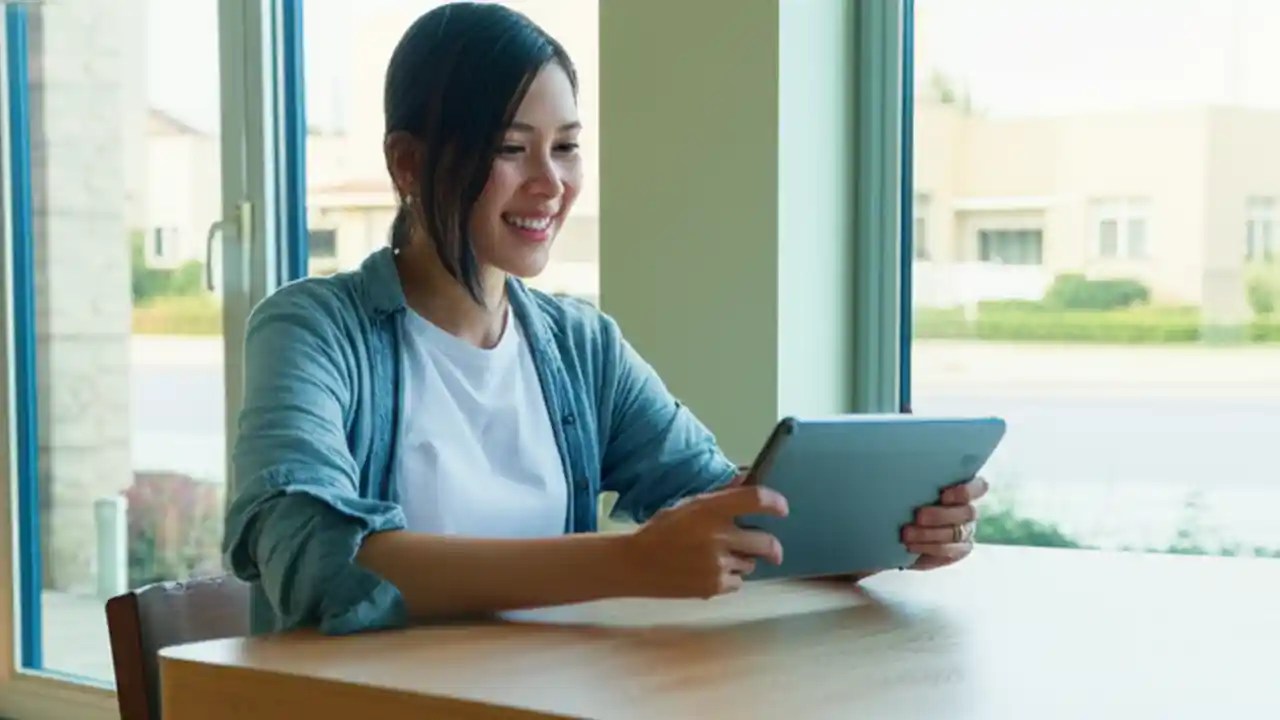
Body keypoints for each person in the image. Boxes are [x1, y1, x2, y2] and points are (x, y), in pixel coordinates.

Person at [222, 1, 988, 636]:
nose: (549, 184)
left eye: (566, 148)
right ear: (408, 164)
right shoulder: (311, 330)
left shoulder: (579, 346)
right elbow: (312, 558)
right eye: (511, 149)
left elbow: (726, 513)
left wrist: (892, 527)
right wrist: (627, 564)